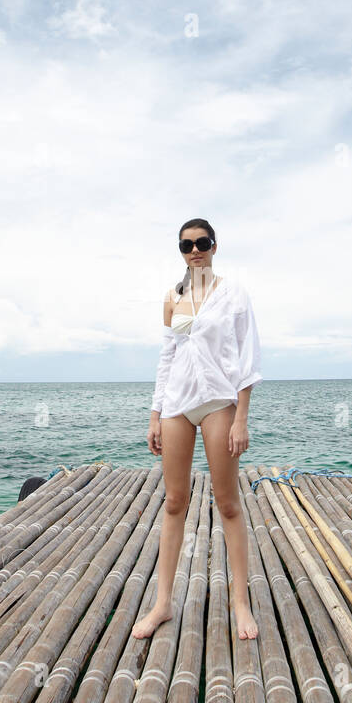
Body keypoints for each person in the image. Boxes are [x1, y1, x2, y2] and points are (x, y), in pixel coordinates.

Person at [134, 218, 264, 642]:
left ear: (214, 245)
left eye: (202, 243)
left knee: (227, 503)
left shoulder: (232, 293)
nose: (195, 250)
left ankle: (240, 602)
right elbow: (167, 356)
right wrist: (155, 414)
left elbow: (248, 357)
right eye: (187, 245)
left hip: (217, 404)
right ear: (180, 249)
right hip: (176, 405)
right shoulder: (174, 297)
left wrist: (241, 416)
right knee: (174, 502)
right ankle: (163, 603)